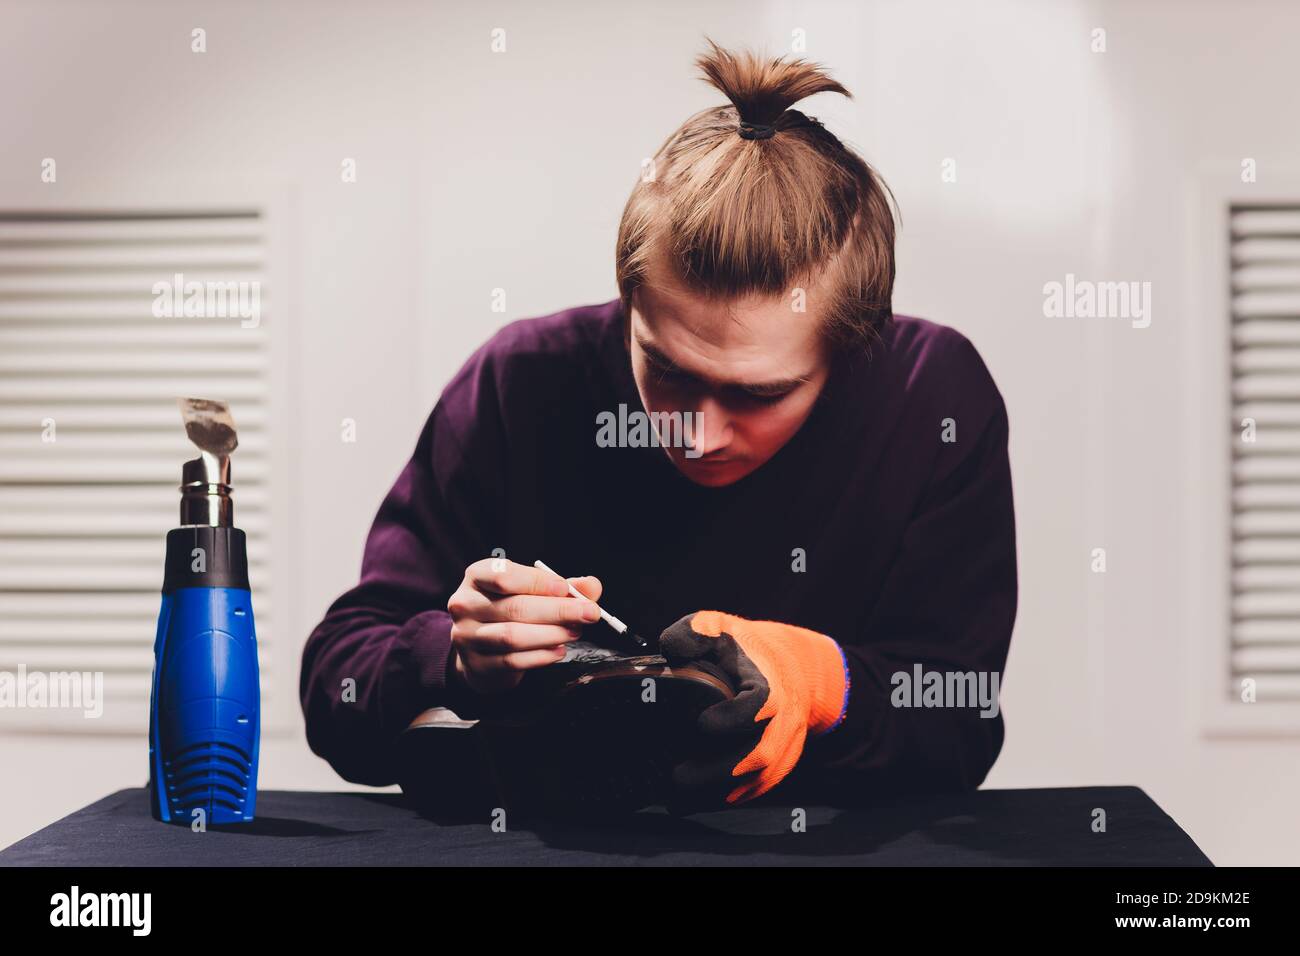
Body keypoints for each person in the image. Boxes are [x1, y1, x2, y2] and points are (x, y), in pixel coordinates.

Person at [299, 40, 1017, 809]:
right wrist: (452, 659)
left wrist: (817, 679)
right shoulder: (518, 381)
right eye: (668, 371)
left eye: (759, 395)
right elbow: (334, 685)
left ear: (850, 350)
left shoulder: (931, 397)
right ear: (628, 302)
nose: (696, 435)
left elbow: (959, 726)